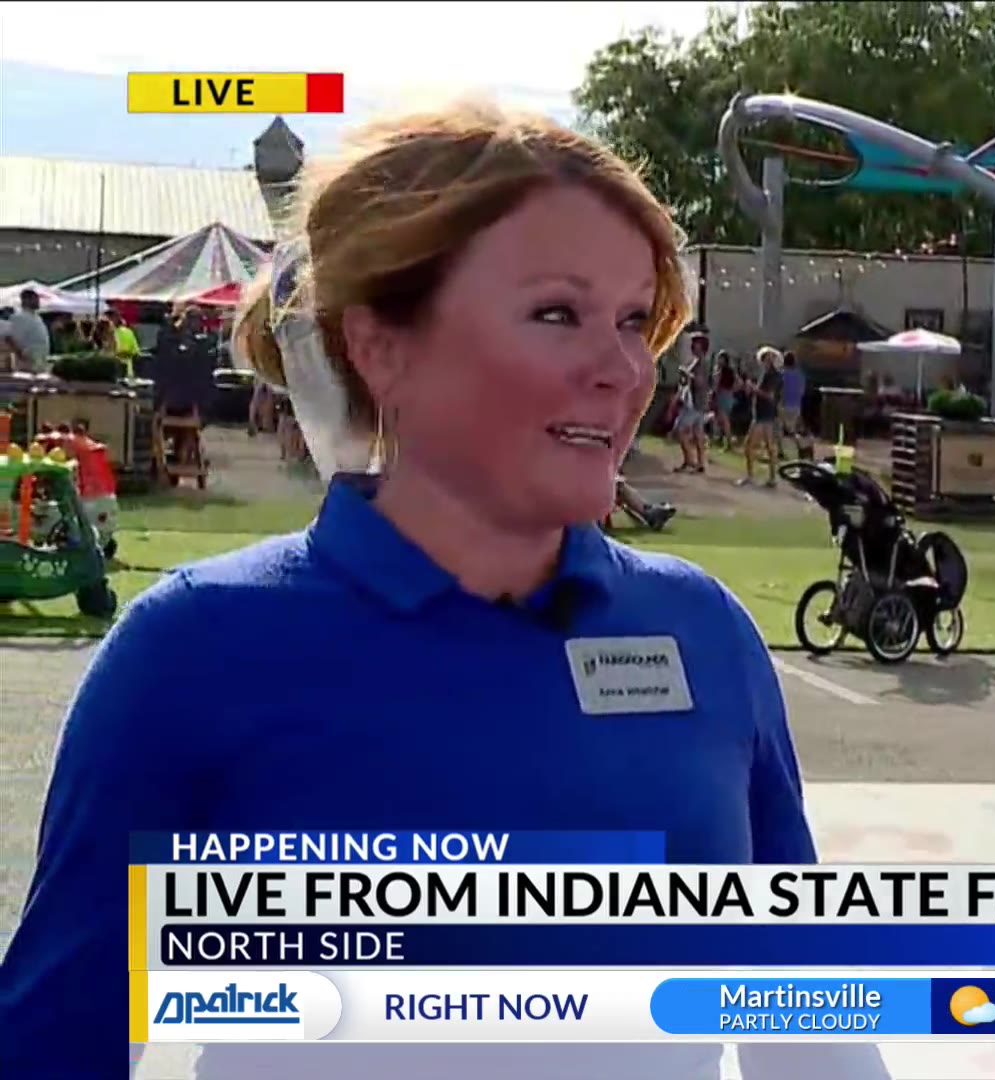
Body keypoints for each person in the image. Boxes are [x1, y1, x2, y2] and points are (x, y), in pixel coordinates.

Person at [0, 100, 886, 1080]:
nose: (626, 369)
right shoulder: (198, 651)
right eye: (558, 314)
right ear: (381, 346)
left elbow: (811, 1027)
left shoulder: (703, 633)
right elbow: (59, 1045)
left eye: (635, 321)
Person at [737, 345, 783, 488]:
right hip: (764, 413)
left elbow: (769, 395)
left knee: (749, 446)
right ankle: (772, 478)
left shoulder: (773, 376)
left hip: (764, 414)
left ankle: (751, 477)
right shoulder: (767, 374)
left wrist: (754, 389)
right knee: (770, 447)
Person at [0, 286, 51, 373]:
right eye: (35, 299)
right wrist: (22, 355)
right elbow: (11, 338)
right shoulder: (19, 317)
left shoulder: (36, 317)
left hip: (41, 358)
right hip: (29, 359)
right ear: (26, 300)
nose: (38, 302)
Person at [779, 348, 809, 458]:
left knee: (779, 429)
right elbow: (802, 391)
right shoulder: (800, 375)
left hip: (784, 405)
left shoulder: (782, 374)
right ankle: (800, 446)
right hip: (796, 405)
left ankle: (782, 450)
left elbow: (780, 390)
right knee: (790, 429)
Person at [711, 349, 739, 451]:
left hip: (723, 394)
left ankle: (728, 443)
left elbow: (716, 384)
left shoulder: (721, 370)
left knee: (724, 420)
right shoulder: (730, 370)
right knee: (721, 420)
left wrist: (713, 393)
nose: (719, 360)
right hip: (728, 395)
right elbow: (738, 382)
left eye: (720, 358)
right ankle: (721, 439)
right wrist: (733, 390)